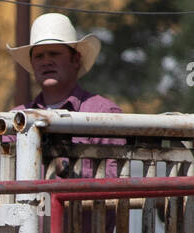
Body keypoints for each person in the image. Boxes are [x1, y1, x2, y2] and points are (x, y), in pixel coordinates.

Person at [7, 12, 124, 182]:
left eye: (54, 53)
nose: (46, 61)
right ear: (32, 64)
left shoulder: (105, 113)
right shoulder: (14, 119)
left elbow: (114, 188)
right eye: (39, 56)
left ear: (76, 60)